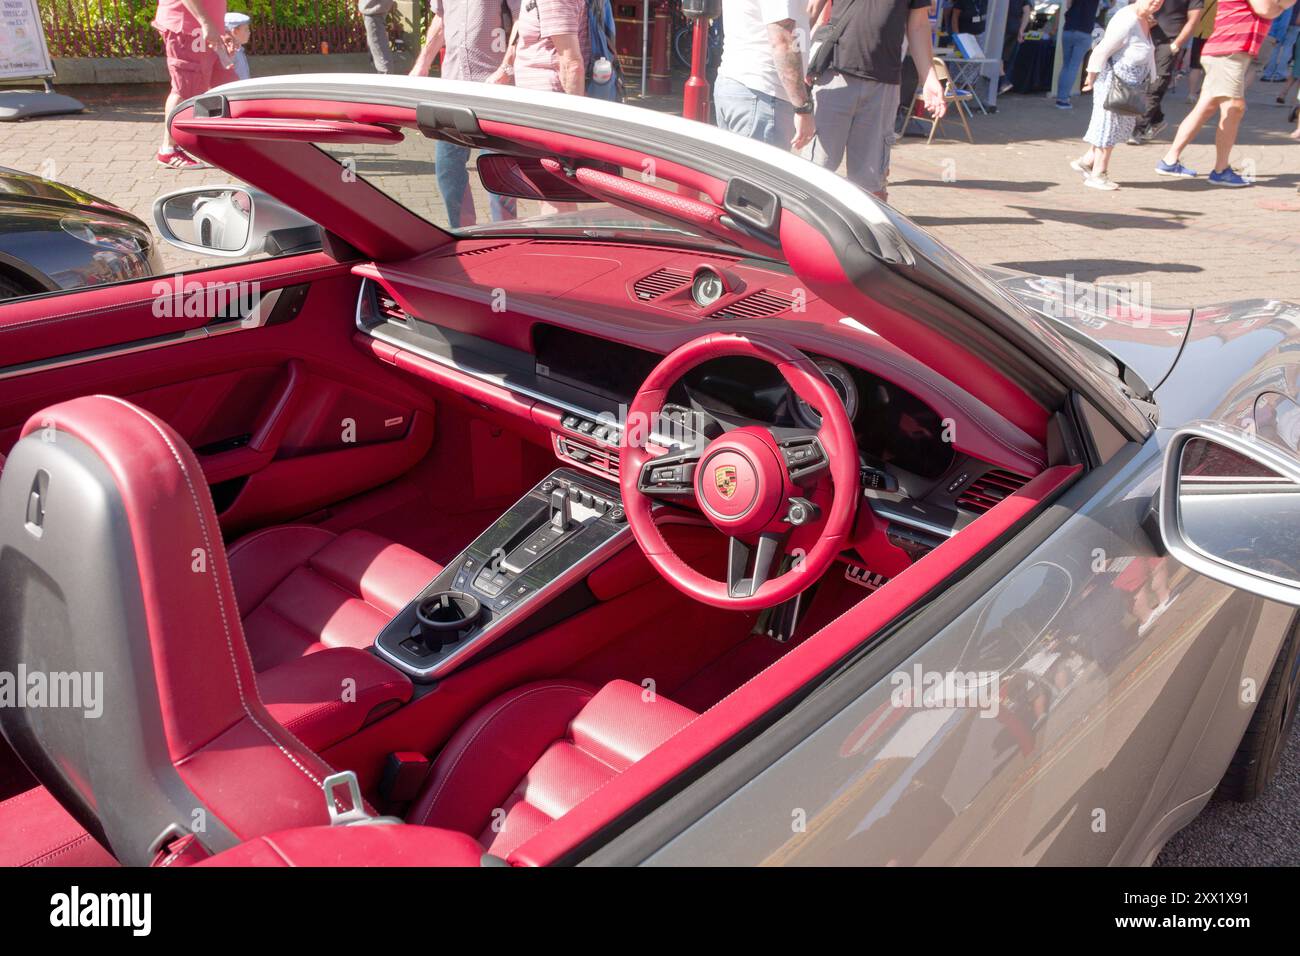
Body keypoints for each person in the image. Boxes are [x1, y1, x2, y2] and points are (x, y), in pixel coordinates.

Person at [807, 0, 945, 201]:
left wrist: (929, 77)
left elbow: (919, 24)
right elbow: (811, 9)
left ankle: (865, 231)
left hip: (884, 85)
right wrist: (795, 59)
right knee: (815, 172)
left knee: (871, 184)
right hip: (833, 75)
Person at [1157, 0, 1297, 185]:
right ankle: (1221, 170)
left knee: (1205, 107)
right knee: (1234, 107)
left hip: (1229, 51)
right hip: (1229, 51)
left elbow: (1270, 10)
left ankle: (1170, 160)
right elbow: (1265, 9)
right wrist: (1281, 5)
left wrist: (1278, 6)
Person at [410, 0, 521, 228]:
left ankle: (506, 233)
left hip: (494, 89)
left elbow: (523, 21)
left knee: (499, 170)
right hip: (452, 87)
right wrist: (422, 65)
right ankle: (461, 232)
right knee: (447, 168)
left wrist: (506, 69)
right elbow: (441, 20)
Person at [1069, 0, 1161, 190]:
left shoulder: (1144, 18)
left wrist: (1151, 77)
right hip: (1114, 83)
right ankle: (1098, 174)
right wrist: (1091, 75)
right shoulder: (1127, 19)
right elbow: (1103, 48)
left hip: (1131, 86)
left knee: (1115, 126)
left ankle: (1086, 162)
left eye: (1161, 0)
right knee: (1108, 127)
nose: (1157, 2)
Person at [713, 0, 814, 150]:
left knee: (738, 169)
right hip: (763, 94)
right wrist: (802, 108)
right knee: (758, 172)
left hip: (740, 86)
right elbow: (783, 42)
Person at [154, 0, 235, 170]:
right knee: (185, 89)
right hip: (187, 29)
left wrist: (220, 27)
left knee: (227, 87)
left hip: (207, 30)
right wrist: (207, 23)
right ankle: (168, 149)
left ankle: (221, 144)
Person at [1130, 0, 1203, 139]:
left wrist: (1176, 44)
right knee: (1141, 82)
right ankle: (1157, 120)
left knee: (1156, 84)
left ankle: (1138, 129)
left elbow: (1194, 20)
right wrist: (1145, 16)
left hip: (1170, 42)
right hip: (1146, 36)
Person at [488, 0, 589, 94]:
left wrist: (573, 111)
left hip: (549, 102)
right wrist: (505, 68)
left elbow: (572, 65)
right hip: (536, 98)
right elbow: (521, 23)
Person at [1057, 0, 1105, 107]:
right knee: (1073, 66)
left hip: (1068, 29)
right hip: (1084, 31)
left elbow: (1068, 5)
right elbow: (1110, 4)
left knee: (1066, 65)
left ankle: (1061, 96)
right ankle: (1063, 99)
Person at [1185, 0, 1218, 99]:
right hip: (1215, 35)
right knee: (1211, 68)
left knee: (1195, 66)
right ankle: (1205, 94)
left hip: (1198, 33)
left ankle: (1191, 94)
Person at [359, 0, 397, 74]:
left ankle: (386, 81)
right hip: (374, 8)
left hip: (373, 8)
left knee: (380, 51)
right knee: (377, 49)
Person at [226, 11, 251, 81]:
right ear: (235, 31)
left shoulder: (239, 50)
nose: (249, 32)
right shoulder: (230, 53)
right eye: (246, 29)